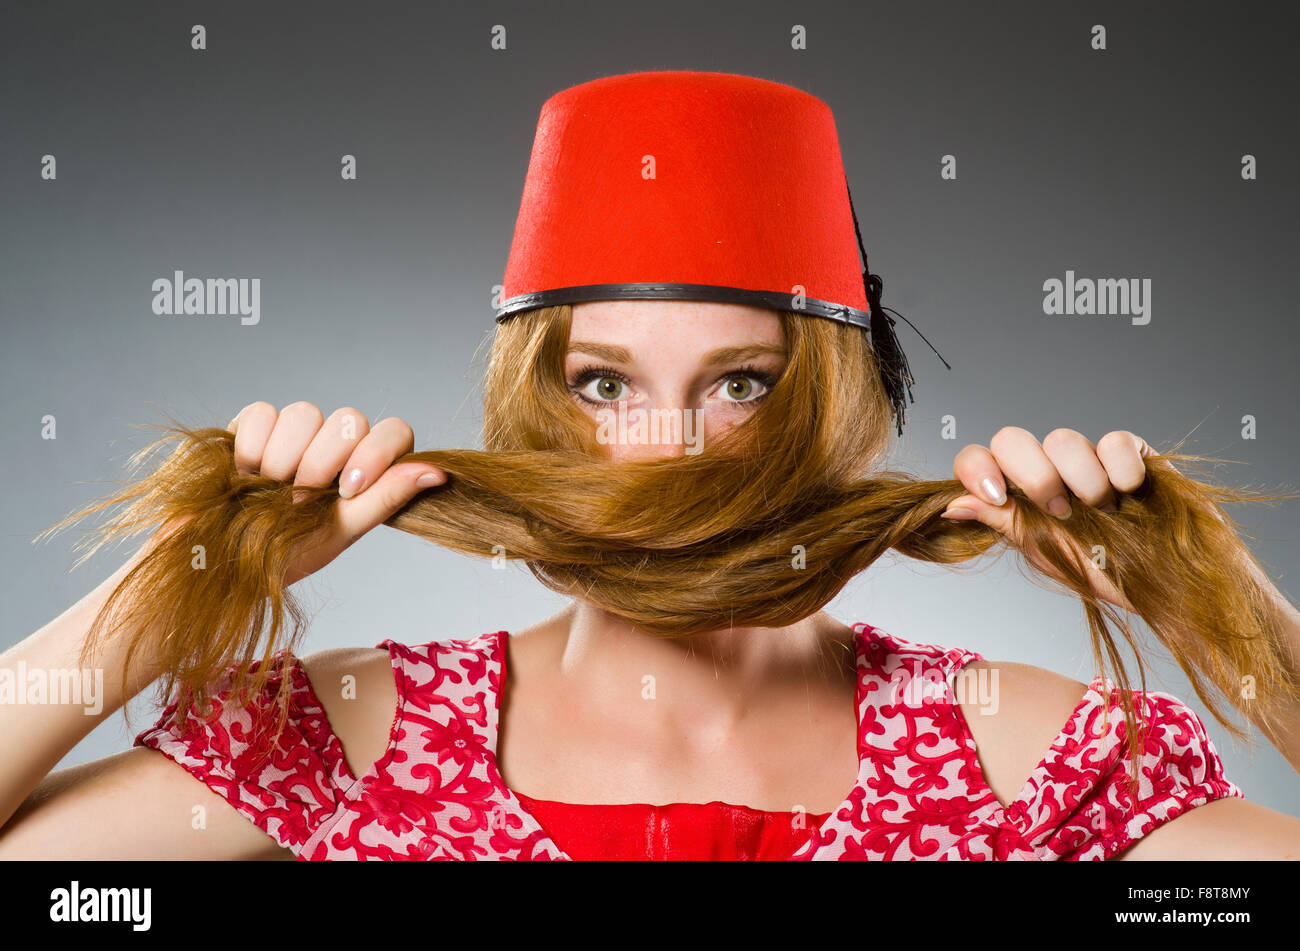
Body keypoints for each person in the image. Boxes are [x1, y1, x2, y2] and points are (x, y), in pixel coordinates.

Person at [2, 71, 1298, 861]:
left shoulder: (1026, 758)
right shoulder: (346, 742)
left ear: (845, 409)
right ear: (533, 404)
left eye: (742, 384)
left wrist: (1219, 610)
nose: (671, 448)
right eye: (603, 382)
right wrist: (194, 576)